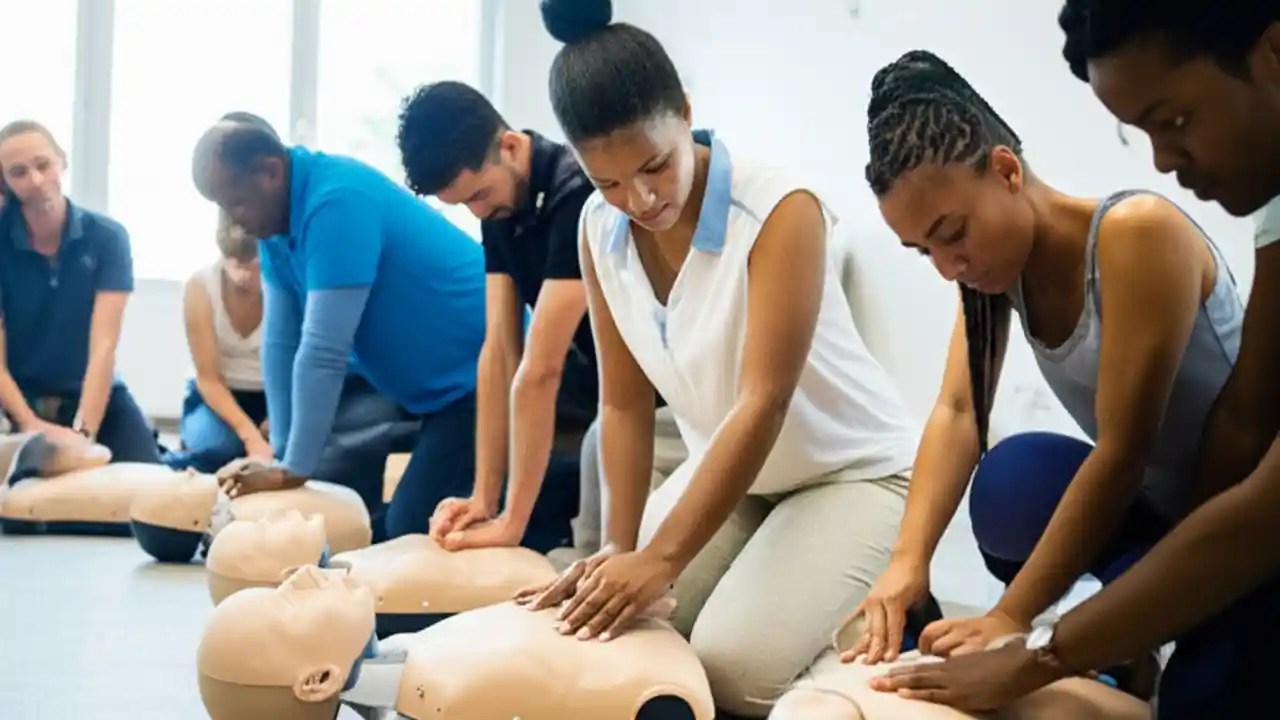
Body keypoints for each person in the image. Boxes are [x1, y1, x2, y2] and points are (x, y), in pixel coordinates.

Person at [868, 5, 1280, 719]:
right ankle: (1134, 648)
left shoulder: (1136, 232)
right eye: (923, 251)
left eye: (951, 236)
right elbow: (958, 410)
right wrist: (907, 564)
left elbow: (1128, 456)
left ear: (1004, 170)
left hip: (1223, 502)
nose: (945, 266)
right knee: (1010, 481)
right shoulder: (991, 277)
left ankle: (1154, 648)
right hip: (1169, 510)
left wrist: (1022, 634)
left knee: (1204, 696)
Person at [515, 3, 924, 716]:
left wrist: (662, 558)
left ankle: (898, 611)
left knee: (732, 667)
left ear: (686, 114)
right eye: (608, 181)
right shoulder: (595, 225)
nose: (638, 199)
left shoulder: (778, 208)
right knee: (629, 622)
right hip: (743, 480)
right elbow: (622, 402)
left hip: (855, 474)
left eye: (655, 166)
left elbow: (762, 402)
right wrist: (620, 547)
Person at [190, 120, 487, 540]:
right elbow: (280, 343)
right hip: (428, 391)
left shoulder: (337, 201)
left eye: (237, 203)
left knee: (410, 531)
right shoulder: (276, 223)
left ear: (271, 172)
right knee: (368, 519)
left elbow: (323, 349)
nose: (235, 222)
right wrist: (284, 458)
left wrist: (295, 469)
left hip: (481, 379)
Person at [396, 80, 595, 554]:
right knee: (415, 516)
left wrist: (510, 521)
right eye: (465, 204)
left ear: (509, 146)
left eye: (480, 194)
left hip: (645, 395)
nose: (479, 211)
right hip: (591, 385)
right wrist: (484, 496)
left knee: (548, 519)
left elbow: (541, 368)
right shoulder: (499, 209)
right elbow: (500, 349)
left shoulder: (576, 190)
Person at [0, 120, 162, 463]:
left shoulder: (108, 237)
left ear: (62, 161)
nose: (36, 180)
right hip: (16, 396)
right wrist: (30, 426)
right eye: (19, 172)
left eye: (43, 165)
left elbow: (103, 347)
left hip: (90, 391)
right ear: (6, 183)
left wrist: (84, 433)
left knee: (150, 479)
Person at [162, 211, 270, 473]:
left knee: (298, 450)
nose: (247, 275)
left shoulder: (286, 283)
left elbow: (301, 365)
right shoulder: (200, 286)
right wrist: (251, 438)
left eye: (256, 266)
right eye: (238, 265)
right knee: (222, 450)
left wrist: (277, 420)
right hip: (217, 396)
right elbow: (208, 379)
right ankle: (167, 461)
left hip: (275, 395)